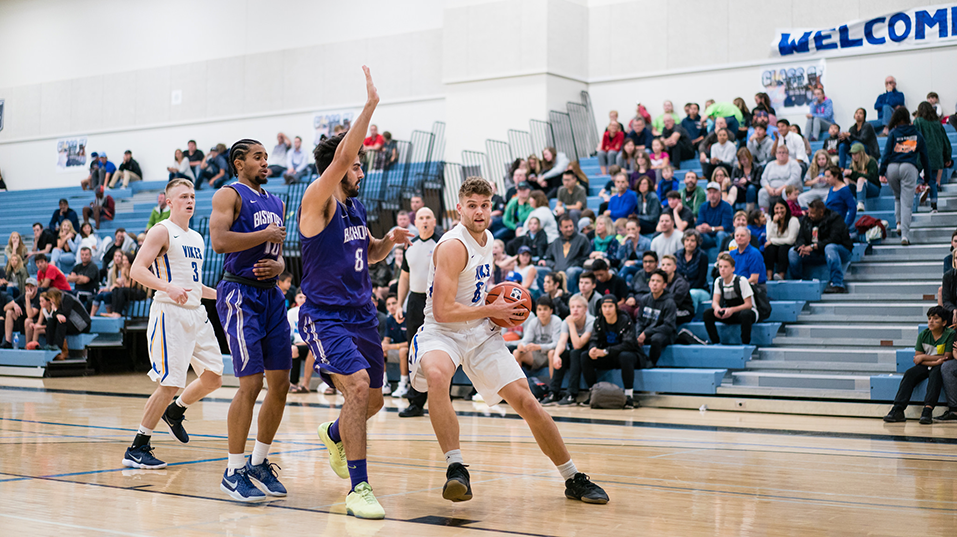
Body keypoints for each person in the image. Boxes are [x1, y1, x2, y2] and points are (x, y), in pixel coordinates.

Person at [409, 176, 609, 505]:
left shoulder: (488, 239)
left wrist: (497, 311)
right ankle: (456, 468)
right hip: (442, 332)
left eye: (485, 206)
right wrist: (491, 307)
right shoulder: (451, 246)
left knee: (528, 402)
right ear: (459, 208)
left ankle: (573, 477)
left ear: (492, 207)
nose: (479, 212)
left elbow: (477, 289)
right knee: (436, 375)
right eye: (471, 206)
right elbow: (443, 311)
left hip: (480, 332)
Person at [297, 68, 412, 519]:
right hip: (326, 315)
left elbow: (367, 254)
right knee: (359, 388)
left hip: (363, 313)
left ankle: (334, 433)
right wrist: (369, 107)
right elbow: (345, 155)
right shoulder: (318, 199)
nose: (360, 171)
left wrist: (389, 243)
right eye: (356, 165)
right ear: (340, 168)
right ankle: (359, 488)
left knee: (375, 399)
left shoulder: (358, 206)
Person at [209, 138, 294, 502]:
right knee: (250, 384)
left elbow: (278, 251)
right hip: (240, 294)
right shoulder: (228, 195)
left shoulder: (278, 201)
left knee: (280, 384)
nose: (265, 162)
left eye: (265, 157)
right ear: (239, 162)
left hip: (271, 294)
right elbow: (219, 241)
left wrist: (281, 265)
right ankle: (233, 469)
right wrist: (264, 235)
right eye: (258, 157)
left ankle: (259, 462)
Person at [120, 179, 223, 476]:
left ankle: (176, 410)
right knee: (170, 383)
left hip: (195, 313)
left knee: (214, 377)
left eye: (192, 196)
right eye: (183, 196)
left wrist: (220, 293)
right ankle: (138, 447)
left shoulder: (198, 238)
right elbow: (136, 270)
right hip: (169, 313)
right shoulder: (161, 230)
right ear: (169, 201)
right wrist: (167, 286)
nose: (189, 200)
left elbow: (192, 285)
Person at [396, 207, 439, 416]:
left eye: (427, 217)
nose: (424, 221)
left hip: (436, 302)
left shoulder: (441, 244)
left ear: (434, 221)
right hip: (414, 301)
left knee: (439, 350)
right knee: (414, 351)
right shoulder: (410, 246)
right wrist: (398, 304)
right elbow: (404, 276)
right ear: (416, 221)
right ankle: (415, 402)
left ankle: (439, 401)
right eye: (421, 217)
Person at [883, 306, 954, 424]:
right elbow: (917, 360)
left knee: (936, 374)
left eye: (935, 319)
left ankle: (927, 410)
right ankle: (898, 409)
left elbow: (947, 357)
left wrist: (925, 357)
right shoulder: (923, 335)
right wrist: (933, 361)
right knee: (910, 373)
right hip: (929, 364)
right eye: (929, 318)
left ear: (944, 322)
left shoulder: (950, 334)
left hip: (939, 365)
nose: (931, 321)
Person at [880, 107, 931, 246]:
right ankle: (905, 235)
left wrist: (881, 172)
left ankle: (898, 223)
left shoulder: (893, 132)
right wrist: (927, 178)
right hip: (908, 166)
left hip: (892, 167)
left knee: (897, 197)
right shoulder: (917, 133)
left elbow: (886, 154)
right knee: (907, 203)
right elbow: (925, 157)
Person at [582, 295, 639, 407]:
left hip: (628, 355)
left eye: (610, 306)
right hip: (608, 355)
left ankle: (629, 396)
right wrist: (592, 349)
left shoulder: (625, 320)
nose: (607, 309)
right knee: (585, 356)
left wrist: (605, 351)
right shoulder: (599, 321)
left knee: (625, 356)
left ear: (616, 307)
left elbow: (628, 344)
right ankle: (593, 393)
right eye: (604, 306)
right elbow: (594, 339)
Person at [788, 200, 853, 294]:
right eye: (809, 212)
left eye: (812, 213)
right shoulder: (807, 219)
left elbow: (834, 239)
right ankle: (799, 281)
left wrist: (814, 246)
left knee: (830, 248)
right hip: (816, 252)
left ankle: (837, 284)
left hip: (840, 251)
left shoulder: (835, 218)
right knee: (792, 252)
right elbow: (801, 236)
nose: (809, 215)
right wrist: (801, 246)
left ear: (821, 212)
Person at [542, 295, 594, 405]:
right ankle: (553, 392)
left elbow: (578, 345)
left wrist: (571, 324)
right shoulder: (566, 321)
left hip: (588, 354)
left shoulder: (591, 321)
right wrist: (556, 356)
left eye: (578, 307)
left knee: (575, 353)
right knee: (562, 354)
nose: (575, 309)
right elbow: (562, 341)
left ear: (585, 309)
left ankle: (572, 394)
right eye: (572, 307)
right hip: (576, 353)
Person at [704, 253, 757, 345]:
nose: (722, 269)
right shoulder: (718, 281)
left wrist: (732, 310)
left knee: (746, 315)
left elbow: (748, 305)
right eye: (720, 267)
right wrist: (717, 308)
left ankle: (745, 344)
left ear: (733, 268)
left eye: (725, 266)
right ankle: (715, 342)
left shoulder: (741, 280)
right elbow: (715, 302)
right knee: (707, 313)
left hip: (744, 311)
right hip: (729, 312)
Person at [913, 101, 951, 214]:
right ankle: (934, 207)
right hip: (936, 156)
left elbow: (914, 138)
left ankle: (922, 187)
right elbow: (945, 141)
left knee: (914, 176)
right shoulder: (938, 123)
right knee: (933, 181)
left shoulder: (918, 121)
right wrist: (947, 157)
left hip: (921, 155)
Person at [539, 215, 591, 295]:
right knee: (538, 270)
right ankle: (545, 297)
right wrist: (553, 265)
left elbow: (586, 257)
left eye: (571, 226)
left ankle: (569, 296)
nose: (569, 229)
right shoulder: (556, 242)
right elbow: (548, 258)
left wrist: (573, 264)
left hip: (574, 269)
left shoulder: (582, 239)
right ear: (560, 228)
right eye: (566, 227)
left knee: (571, 272)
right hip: (556, 270)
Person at [38, 288, 91, 360]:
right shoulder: (58, 301)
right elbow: (55, 316)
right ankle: (49, 344)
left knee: (61, 322)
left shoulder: (68, 298)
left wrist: (55, 311)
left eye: (51, 299)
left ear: (54, 296)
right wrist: (56, 313)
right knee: (51, 321)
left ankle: (58, 346)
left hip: (82, 324)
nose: (51, 301)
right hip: (71, 322)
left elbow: (65, 314)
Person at [513, 296, 561, 370]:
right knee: (516, 352)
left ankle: (553, 381)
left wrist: (538, 346)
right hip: (537, 355)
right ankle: (519, 380)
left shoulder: (557, 321)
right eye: (539, 309)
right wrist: (522, 345)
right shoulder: (533, 322)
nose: (542, 312)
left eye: (545, 309)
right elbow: (525, 340)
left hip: (551, 354)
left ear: (551, 311)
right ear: (536, 311)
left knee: (551, 353)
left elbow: (556, 344)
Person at [764, 200, 799, 281]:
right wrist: (774, 223)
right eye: (777, 208)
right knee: (769, 248)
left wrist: (773, 241)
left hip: (788, 247)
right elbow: (768, 238)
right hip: (775, 249)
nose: (779, 210)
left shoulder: (793, 220)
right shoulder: (770, 222)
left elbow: (791, 240)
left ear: (786, 208)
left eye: (781, 208)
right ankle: (769, 276)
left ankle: (781, 276)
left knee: (783, 248)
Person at [759, 145, 802, 210]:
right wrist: (769, 189)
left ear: (788, 154)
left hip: (787, 188)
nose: (781, 154)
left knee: (786, 192)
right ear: (776, 155)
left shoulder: (793, 164)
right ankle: (764, 214)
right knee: (762, 192)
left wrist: (781, 189)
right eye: (779, 152)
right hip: (771, 189)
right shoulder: (770, 165)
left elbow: (794, 178)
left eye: (783, 152)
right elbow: (763, 179)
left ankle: (787, 212)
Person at [288, 292, 316, 393]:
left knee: (313, 350)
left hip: (311, 345)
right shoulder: (291, 312)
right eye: (300, 297)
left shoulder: (313, 313)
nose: (302, 300)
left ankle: (305, 385)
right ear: (295, 298)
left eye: (305, 297)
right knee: (293, 349)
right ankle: (293, 383)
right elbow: (287, 332)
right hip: (297, 345)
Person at [0, 278, 39, 349]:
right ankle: (7, 342)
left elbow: (30, 315)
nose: (29, 288)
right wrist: (14, 305)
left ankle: (27, 345)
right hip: (22, 322)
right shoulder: (22, 296)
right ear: (25, 287)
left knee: (28, 320)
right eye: (28, 286)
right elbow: (5, 308)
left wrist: (27, 298)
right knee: (9, 312)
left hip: (34, 322)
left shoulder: (38, 298)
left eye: (32, 286)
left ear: (36, 287)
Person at [381, 294, 409, 391]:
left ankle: (404, 384)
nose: (391, 306)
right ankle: (384, 383)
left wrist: (391, 346)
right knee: (381, 350)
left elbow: (410, 343)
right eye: (388, 304)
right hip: (397, 348)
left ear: (399, 304)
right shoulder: (389, 320)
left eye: (394, 303)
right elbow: (387, 338)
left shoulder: (408, 317)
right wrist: (384, 345)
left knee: (403, 351)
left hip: (410, 348)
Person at [844, 143, 881, 213]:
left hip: (873, 188)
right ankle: (846, 203)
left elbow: (872, 177)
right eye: (852, 154)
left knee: (861, 179)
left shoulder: (871, 161)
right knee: (846, 180)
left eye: (856, 154)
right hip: (859, 188)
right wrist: (848, 175)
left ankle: (860, 204)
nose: (854, 156)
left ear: (861, 153)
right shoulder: (853, 164)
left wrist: (853, 173)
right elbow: (853, 177)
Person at [695, 182, 733, 249]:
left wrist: (710, 229)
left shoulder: (726, 206)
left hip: (723, 235)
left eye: (714, 192)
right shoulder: (703, 206)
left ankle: (720, 257)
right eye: (710, 192)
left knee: (720, 234)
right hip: (708, 236)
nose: (712, 195)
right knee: (696, 234)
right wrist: (699, 228)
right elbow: (699, 223)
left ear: (719, 193)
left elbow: (725, 227)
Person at [659, 255, 694, 325]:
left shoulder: (681, 283)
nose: (665, 267)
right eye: (663, 265)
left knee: (664, 317)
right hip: (668, 309)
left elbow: (674, 302)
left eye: (668, 264)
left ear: (674, 267)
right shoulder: (660, 281)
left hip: (684, 310)